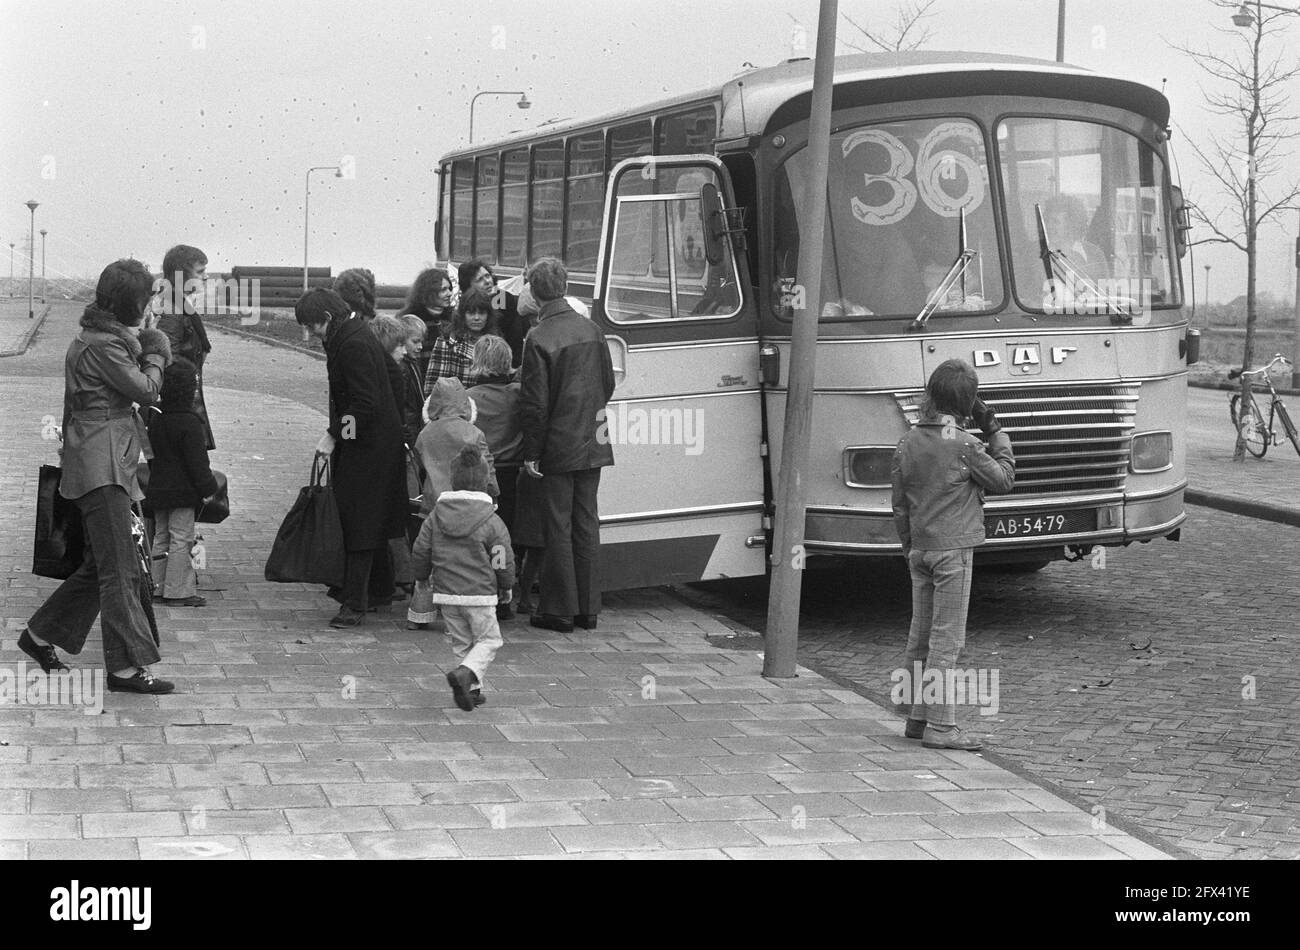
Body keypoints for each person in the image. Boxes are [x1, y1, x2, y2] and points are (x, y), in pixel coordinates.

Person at [18, 259, 177, 694]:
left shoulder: (97, 336)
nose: (149, 307)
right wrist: (156, 350)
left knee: (104, 564)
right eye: (145, 300)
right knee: (120, 571)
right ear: (131, 303)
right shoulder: (106, 345)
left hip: (104, 461)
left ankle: (39, 635)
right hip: (103, 466)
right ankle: (124, 670)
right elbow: (145, 391)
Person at [890, 359, 1015, 752]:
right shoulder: (965, 444)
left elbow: (898, 505)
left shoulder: (908, 441)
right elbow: (1004, 480)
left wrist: (909, 545)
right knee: (948, 641)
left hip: (920, 550)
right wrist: (994, 428)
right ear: (969, 402)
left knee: (920, 636)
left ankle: (916, 717)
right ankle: (942, 728)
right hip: (953, 553)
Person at [296, 288, 407, 628]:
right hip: (377, 442)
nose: (309, 334)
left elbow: (363, 402)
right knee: (372, 516)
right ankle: (380, 589)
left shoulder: (353, 343)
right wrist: (393, 420)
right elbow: (393, 378)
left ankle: (354, 603)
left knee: (358, 520)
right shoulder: (358, 333)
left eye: (311, 326)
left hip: (367, 448)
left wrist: (335, 436)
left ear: (327, 319)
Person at [519, 258, 615, 633]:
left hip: (557, 444)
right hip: (594, 437)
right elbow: (607, 383)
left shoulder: (538, 337)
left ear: (533, 291)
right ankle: (588, 609)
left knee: (557, 525)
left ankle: (559, 609)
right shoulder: (592, 329)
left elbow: (535, 404)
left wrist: (532, 452)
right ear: (564, 285)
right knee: (586, 522)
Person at [411, 446, 515, 711]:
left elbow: (422, 548)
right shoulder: (492, 521)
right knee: (489, 640)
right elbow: (501, 557)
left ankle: (473, 690)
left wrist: (422, 578)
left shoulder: (436, 516)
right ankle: (466, 674)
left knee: (462, 641)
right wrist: (506, 586)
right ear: (484, 484)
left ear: (453, 481)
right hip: (480, 593)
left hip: (446, 594)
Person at [144, 358, 219, 608]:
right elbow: (198, 463)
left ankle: (156, 586)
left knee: (161, 537)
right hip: (183, 492)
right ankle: (178, 591)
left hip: (158, 489)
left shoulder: (157, 419)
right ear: (190, 391)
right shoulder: (191, 423)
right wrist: (208, 489)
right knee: (182, 538)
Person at [467, 335, 523, 620]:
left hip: (482, 474)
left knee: (480, 537)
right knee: (505, 537)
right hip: (513, 471)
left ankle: (481, 591)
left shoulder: (469, 398)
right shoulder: (518, 393)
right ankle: (505, 597)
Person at [371, 314, 424, 594]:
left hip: (404, 443)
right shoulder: (396, 371)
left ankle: (401, 573)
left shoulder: (405, 367)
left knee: (401, 511)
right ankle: (403, 573)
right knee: (400, 511)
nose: (408, 350)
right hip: (400, 447)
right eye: (404, 344)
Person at [155, 244, 215, 449]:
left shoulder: (180, 305)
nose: (206, 277)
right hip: (179, 410)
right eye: (200, 272)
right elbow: (168, 363)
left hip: (186, 404)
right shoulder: (172, 310)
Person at [423, 289, 499, 391]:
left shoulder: (495, 343)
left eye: (481, 313)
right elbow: (434, 386)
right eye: (471, 313)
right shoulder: (448, 342)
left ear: (488, 315)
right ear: (463, 315)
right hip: (455, 404)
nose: (477, 318)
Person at [399, 267, 454, 380]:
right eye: (443, 290)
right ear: (428, 292)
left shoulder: (453, 320)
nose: (449, 293)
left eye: (449, 289)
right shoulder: (410, 321)